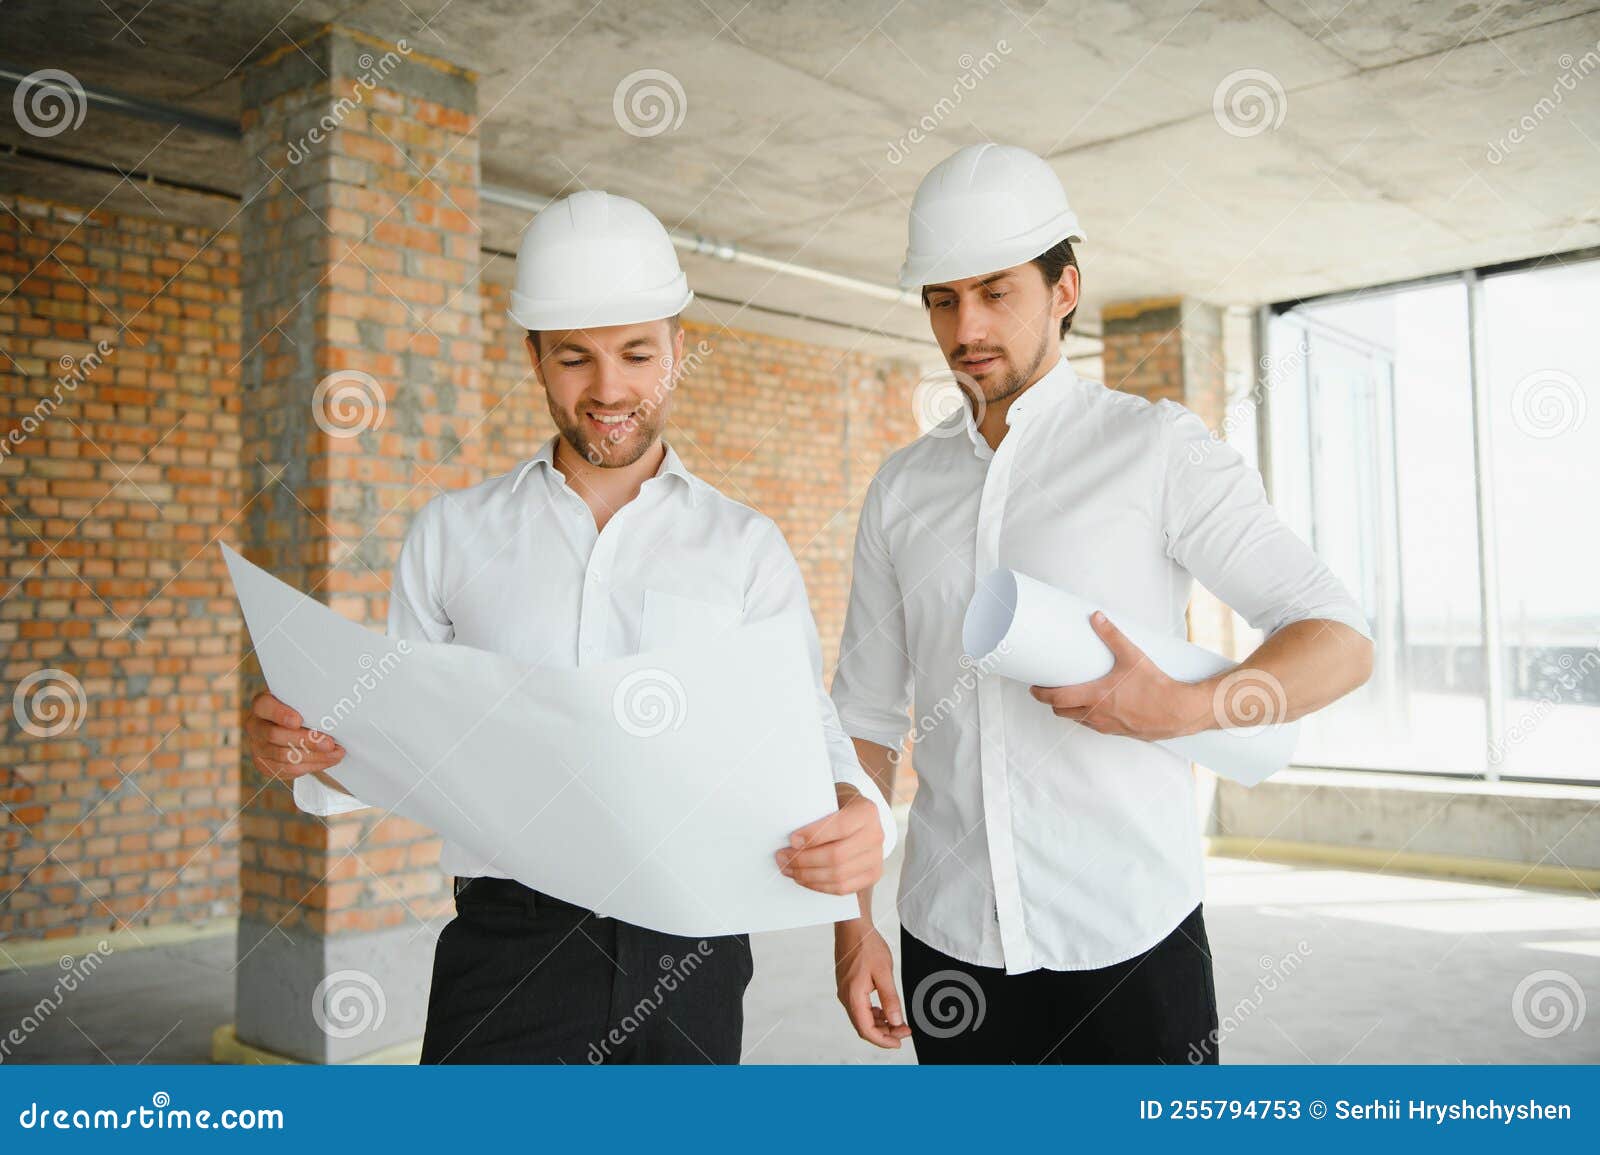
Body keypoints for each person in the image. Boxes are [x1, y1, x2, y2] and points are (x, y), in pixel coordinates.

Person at [244, 189, 895, 1064]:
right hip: (506, 947)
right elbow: (392, 735)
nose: (609, 389)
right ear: (536, 359)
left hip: (691, 949)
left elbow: (809, 738)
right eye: (574, 359)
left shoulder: (744, 547)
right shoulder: (452, 533)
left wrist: (868, 817)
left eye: (636, 353)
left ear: (676, 349)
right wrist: (307, 749)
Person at [828, 143, 1375, 1064]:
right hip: (949, 945)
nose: (966, 326)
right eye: (942, 299)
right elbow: (867, 716)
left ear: (1065, 288)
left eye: (996, 291)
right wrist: (855, 925)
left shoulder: (1155, 450)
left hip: (1131, 942)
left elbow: (1339, 638)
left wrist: (1188, 707)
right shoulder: (902, 488)